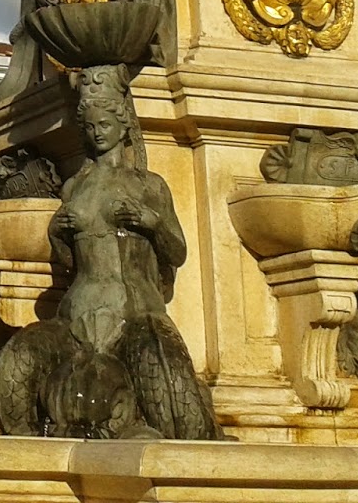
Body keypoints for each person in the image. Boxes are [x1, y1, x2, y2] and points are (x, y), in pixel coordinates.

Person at [49, 66, 220, 439]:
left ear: (123, 126)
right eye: (91, 126)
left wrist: (152, 222)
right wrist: (57, 234)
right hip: (78, 311)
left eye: (105, 125)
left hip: (137, 310)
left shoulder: (148, 185)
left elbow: (177, 252)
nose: (97, 133)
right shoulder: (73, 187)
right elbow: (68, 264)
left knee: (174, 395)